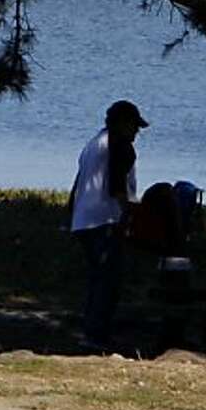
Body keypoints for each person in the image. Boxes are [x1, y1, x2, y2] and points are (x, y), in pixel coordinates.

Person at [69, 99, 146, 351]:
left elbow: (79, 181)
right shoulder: (119, 146)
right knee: (108, 280)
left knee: (96, 278)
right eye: (134, 126)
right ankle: (97, 335)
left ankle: (91, 329)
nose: (136, 133)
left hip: (83, 219)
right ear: (122, 124)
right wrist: (130, 215)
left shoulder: (93, 143)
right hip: (105, 220)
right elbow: (117, 187)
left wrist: (70, 216)